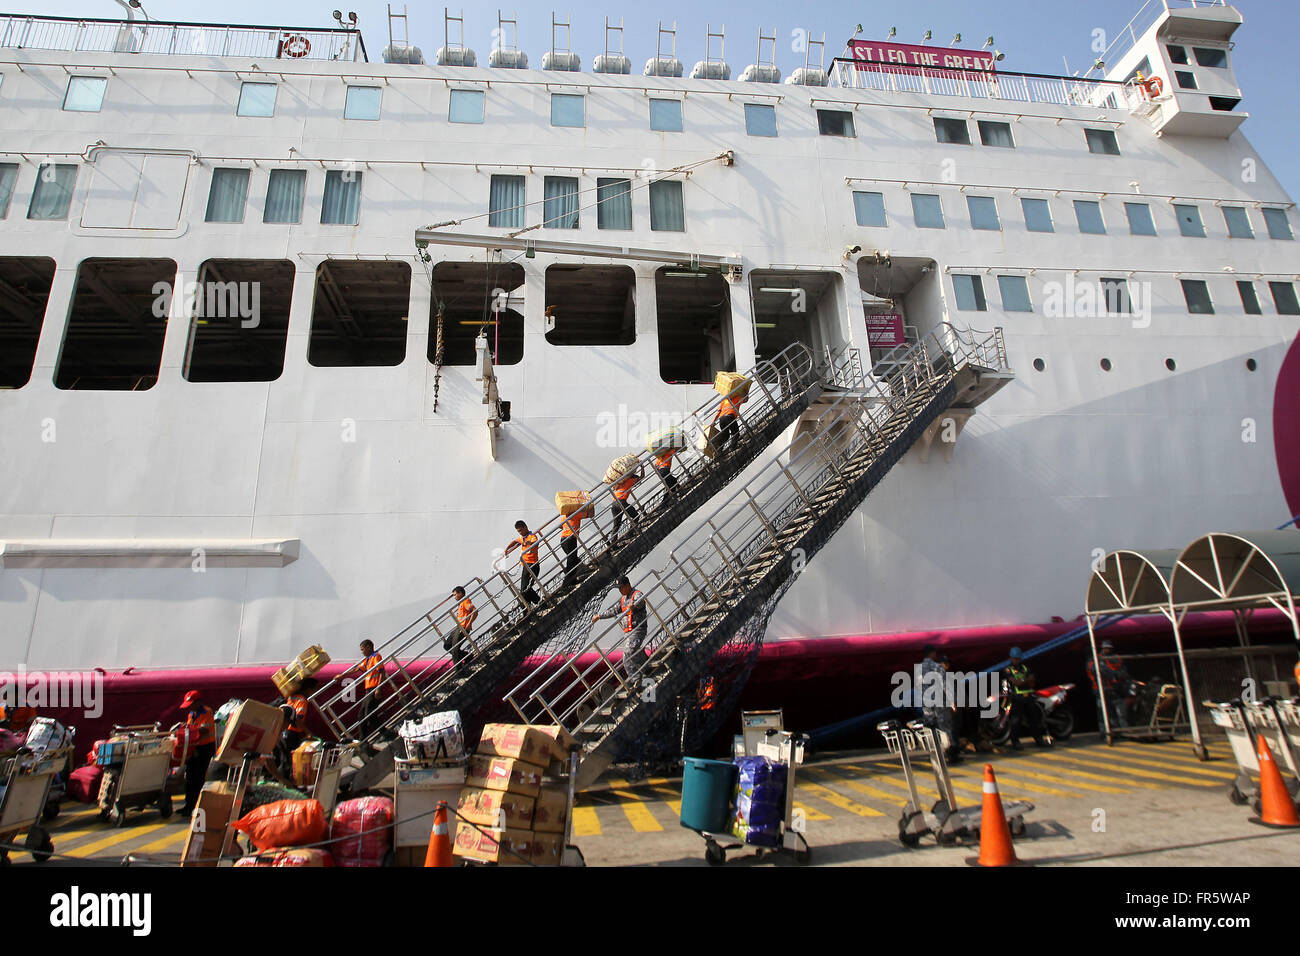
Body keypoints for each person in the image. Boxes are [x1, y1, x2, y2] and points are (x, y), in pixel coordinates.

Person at [593, 576, 648, 674]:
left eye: (621, 587)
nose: (620, 590)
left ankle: (635, 678)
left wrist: (634, 605)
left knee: (628, 653)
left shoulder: (636, 594)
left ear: (627, 586)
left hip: (638, 629)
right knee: (630, 654)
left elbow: (640, 602)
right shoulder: (623, 600)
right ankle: (646, 666)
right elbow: (613, 610)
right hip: (628, 632)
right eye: (618, 588)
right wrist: (599, 616)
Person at [917, 646, 961, 763]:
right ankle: (951, 755)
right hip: (940, 704)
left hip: (927, 704)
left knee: (931, 729)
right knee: (946, 729)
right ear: (932, 654)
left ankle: (934, 755)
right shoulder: (937, 667)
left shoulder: (919, 669)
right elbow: (946, 686)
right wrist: (952, 702)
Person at [178, 689, 216, 817]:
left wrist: (189, 729)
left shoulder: (207, 712)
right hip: (193, 748)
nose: (190, 707)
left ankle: (198, 807)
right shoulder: (191, 714)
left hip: (205, 749)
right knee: (189, 778)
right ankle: (188, 805)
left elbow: (204, 730)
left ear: (198, 702)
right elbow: (191, 728)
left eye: (192, 704)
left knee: (199, 779)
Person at [1002, 647, 1046, 749]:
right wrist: (1025, 680)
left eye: (1018, 658)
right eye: (1014, 658)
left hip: (1029, 696)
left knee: (1033, 719)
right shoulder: (1008, 670)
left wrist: (1022, 681)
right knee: (1016, 720)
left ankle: (1038, 739)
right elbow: (1015, 682)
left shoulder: (1025, 668)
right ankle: (1015, 742)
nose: (1016, 660)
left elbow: (1032, 679)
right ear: (1011, 658)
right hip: (1017, 697)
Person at [342, 641, 384, 739]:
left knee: (369, 713)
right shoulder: (367, 660)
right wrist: (342, 676)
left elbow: (382, 672)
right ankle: (362, 738)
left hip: (374, 688)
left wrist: (378, 688)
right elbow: (357, 669)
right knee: (361, 715)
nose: (362, 652)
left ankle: (384, 732)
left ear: (368, 647)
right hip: (369, 690)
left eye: (363, 649)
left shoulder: (376, 657)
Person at [1087, 639, 1131, 734]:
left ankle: (1124, 731)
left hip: (1116, 689)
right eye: (1105, 648)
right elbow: (1099, 671)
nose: (1107, 650)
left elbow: (1124, 673)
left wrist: (1119, 677)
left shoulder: (1117, 658)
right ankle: (1106, 733)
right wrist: (1115, 675)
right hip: (1101, 690)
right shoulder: (1095, 660)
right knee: (1104, 713)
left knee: (1120, 712)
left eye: (1109, 648)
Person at [275, 677, 315, 777]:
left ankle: (283, 780)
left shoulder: (291, 697)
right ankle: (290, 781)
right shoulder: (302, 700)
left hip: (282, 732)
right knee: (292, 760)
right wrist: (308, 732)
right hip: (292, 733)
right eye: (314, 689)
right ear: (309, 689)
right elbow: (298, 718)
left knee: (284, 759)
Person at [503, 520, 542, 606]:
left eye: (521, 530)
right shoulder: (522, 538)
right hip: (526, 566)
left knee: (526, 588)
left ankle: (539, 601)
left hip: (533, 565)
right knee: (523, 590)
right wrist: (507, 549)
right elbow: (515, 541)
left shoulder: (532, 536)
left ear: (525, 527)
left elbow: (535, 541)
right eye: (518, 531)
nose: (520, 533)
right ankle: (528, 607)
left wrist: (528, 542)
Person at [445, 587, 477, 666]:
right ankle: (467, 656)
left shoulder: (465, 601)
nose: (454, 597)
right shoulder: (460, 604)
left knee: (455, 648)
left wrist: (469, 624)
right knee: (447, 645)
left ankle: (458, 668)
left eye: (455, 595)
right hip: (458, 628)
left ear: (460, 593)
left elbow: (475, 611)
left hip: (463, 628)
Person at [610, 468, 642, 539]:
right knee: (635, 515)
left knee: (616, 524)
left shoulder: (621, 481)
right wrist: (642, 467)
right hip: (621, 502)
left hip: (614, 503)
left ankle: (613, 542)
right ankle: (630, 533)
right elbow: (642, 476)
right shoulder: (632, 480)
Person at [712, 389, 745, 454]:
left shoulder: (724, 400)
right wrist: (743, 392)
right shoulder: (737, 398)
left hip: (722, 419)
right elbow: (745, 399)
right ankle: (733, 448)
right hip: (730, 417)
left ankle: (718, 450)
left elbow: (718, 412)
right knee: (736, 433)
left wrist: (713, 422)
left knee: (725, 436)